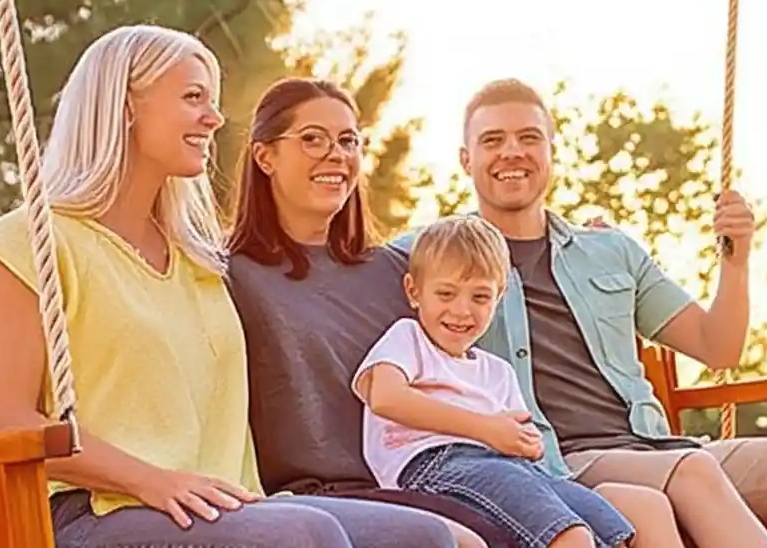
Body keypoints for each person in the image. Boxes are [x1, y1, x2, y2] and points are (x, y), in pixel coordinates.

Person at [0, 25, 456, 547]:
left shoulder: (197, 257)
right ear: (124, 106)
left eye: (213, 100)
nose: (215, 118)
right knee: (304, 536)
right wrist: (153, 481)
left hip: (219, 502)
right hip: (91, 512)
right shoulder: (32, 241)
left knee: (421, 537)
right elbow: (7, 421)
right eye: (193, 97)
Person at [392, 78, 767, 548]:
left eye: (529, 137)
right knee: (689, 473)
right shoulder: (429, 258)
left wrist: (738, 258)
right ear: (465, 159)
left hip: (659, 445)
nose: (512, 152)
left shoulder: (610, 251)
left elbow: (718, 346)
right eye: (492, 140)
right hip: (561, 465)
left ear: (552, 150)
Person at [225, 77, 683, 548]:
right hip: (346, 486)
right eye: (312, 139)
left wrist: (592, 242)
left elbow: (468, 272)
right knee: (493, 536)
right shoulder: (231, 274)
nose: (335, 155)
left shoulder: (392, 268)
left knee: (633, 514)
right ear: (266, 157)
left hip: (453, 470)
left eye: (348, 141)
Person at [353, 214, 636, 548]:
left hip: (505, 466)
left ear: (499, 297)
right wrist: (484, 428)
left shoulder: (497, 371)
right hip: (432, 466)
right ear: (414, 291)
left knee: (608, 527)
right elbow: (385, 398)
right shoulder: (409, 338)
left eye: (480, 297)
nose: (461, 310)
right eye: (445, 293)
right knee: (569, 536)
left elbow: (519, 438)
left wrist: (525, 442)